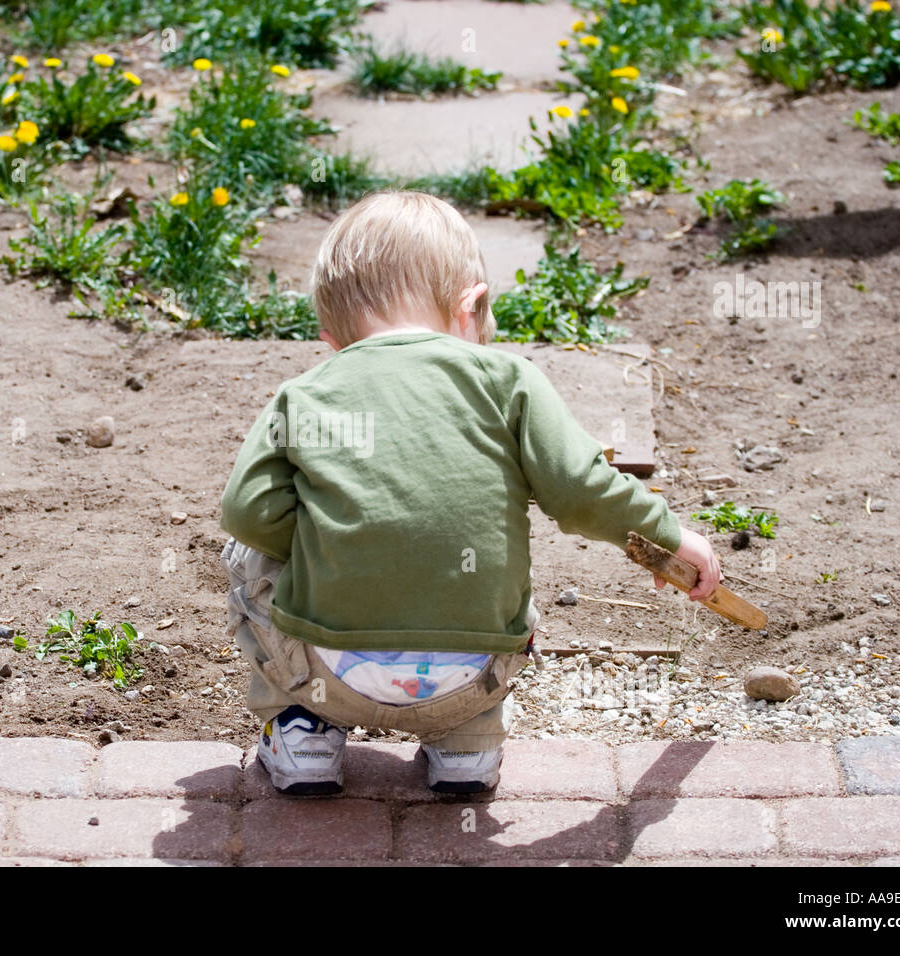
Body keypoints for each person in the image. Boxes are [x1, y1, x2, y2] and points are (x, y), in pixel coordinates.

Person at [219, 190, 721, 795]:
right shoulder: (509, 381)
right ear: (472, 305)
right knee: (494, 561)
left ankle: (304, 734)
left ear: (331, 341)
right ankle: (467, 745)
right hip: (471, 675)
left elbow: (246, 511)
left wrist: (331, 544)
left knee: (246, 559)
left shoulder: (306, 392)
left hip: (330, 672)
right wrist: (669, 540)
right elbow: (582, 489)